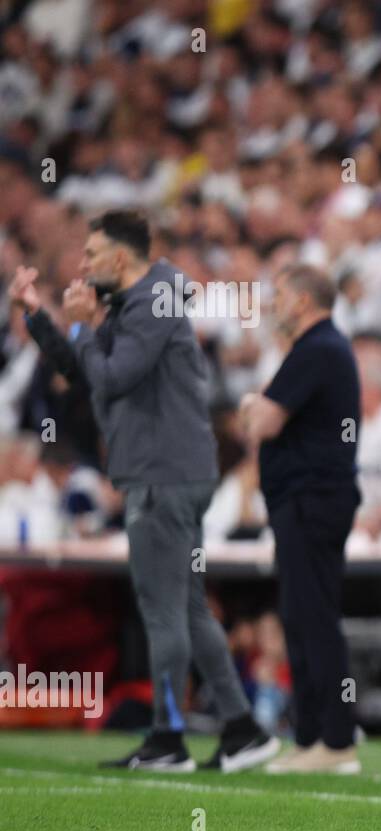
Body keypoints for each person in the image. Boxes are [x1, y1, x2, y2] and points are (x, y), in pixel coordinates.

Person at [8, 209, 276, 772]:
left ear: (121, 258)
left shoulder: (152, 303)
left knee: (162, 610)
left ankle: (168, 737)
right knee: (185, 607)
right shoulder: (142, 303)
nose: (82, 264)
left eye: (91, 254)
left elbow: (111, 375)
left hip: (165, 472)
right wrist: (43, 322)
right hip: (164, 468)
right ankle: (244, 728)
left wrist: (82, 326)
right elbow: (88, 371)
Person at [239, 265, 362, 774]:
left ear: (306, 300)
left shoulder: (318, 347)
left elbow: (264, 420)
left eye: (283, 292)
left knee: (313, 618)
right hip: (304, 500)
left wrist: (252, 403)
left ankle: (335, 742)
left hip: (312, 499)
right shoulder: (318, 349)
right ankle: (312, 736)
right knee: (299, 616)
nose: (276, 301)